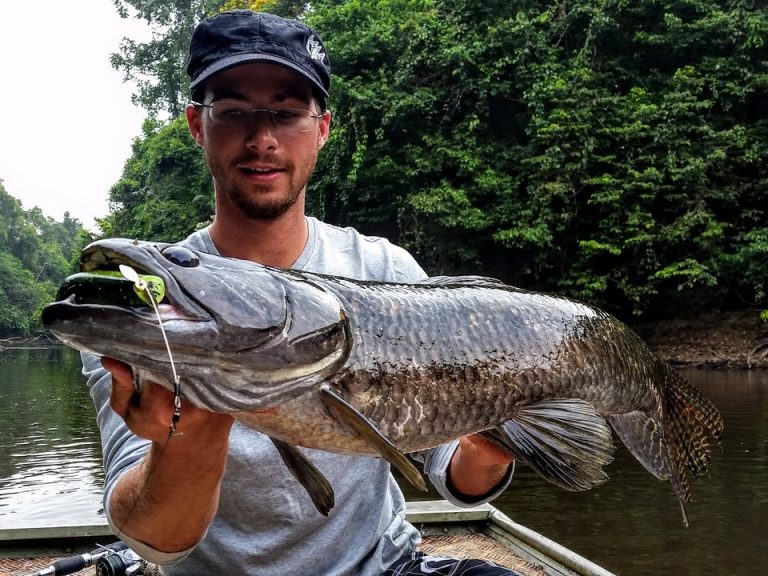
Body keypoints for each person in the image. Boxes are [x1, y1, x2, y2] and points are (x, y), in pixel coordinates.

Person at [83, 10, 517, 575]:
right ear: (197, 124)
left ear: (322, 128)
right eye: (234, 112)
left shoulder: (385, 271)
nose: (262, 140)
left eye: (287, 115)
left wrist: (500, 439)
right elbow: (155, 539)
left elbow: (451, 470)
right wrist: (193, 431)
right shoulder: (150, 309)